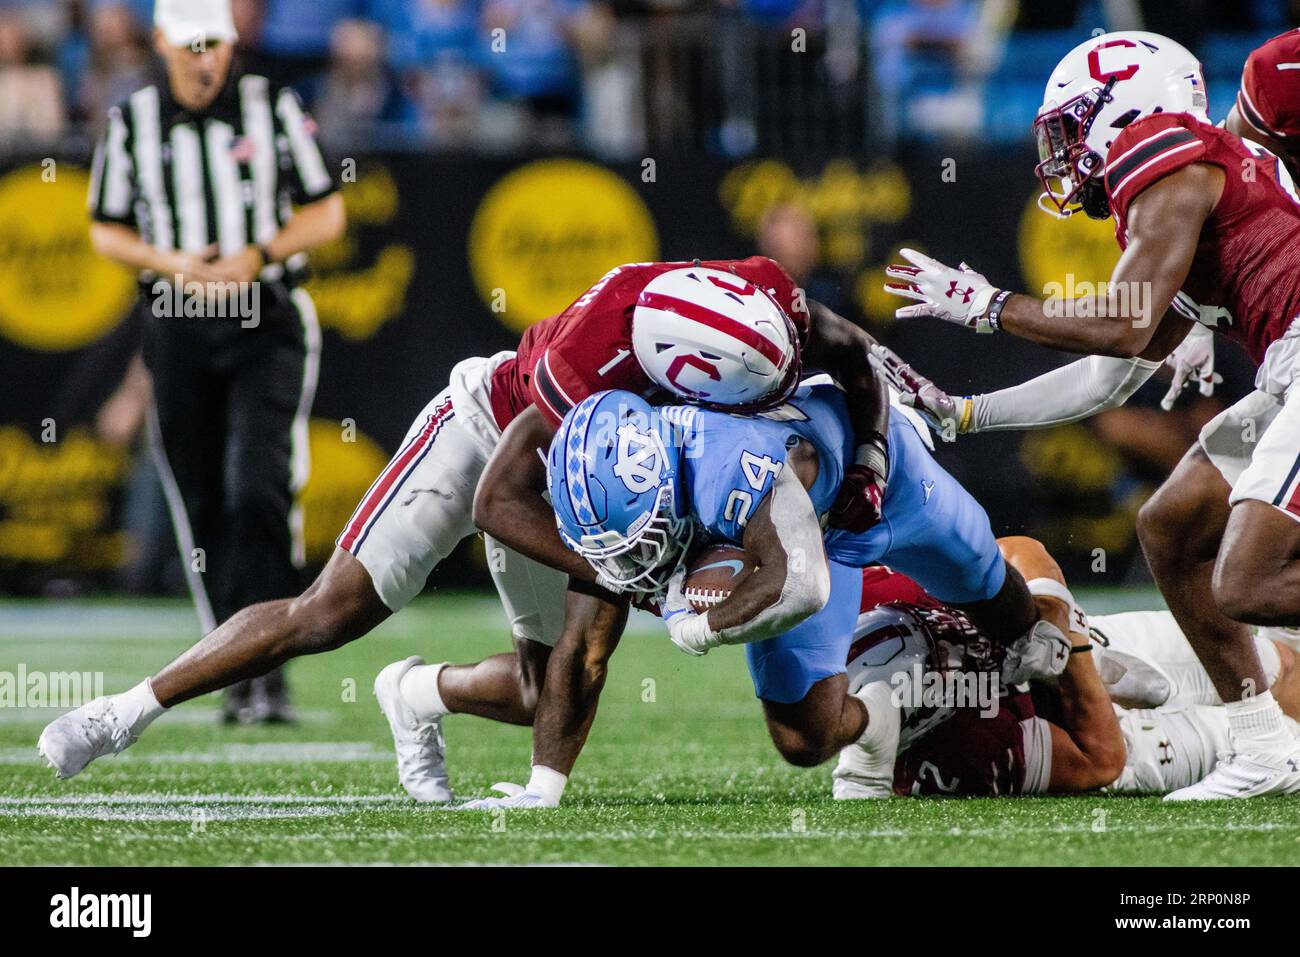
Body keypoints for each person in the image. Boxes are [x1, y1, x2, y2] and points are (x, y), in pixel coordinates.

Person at [38, 257, 891, 802]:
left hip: (607, 470)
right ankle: (123, 712)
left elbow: (850, 350)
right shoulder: (586, 365)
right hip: (491, 443)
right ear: (683, 375)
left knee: (543, 685)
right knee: (329, 612)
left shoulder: (752, 294)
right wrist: (633, 580)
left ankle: (417, 695)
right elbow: (498, 500)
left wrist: (873, 458)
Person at [879, 30, 1300, 799]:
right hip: (1286, 367)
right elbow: (1111, 375)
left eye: (1073, 127)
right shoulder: (1191, 187)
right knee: (1172, 526)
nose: (1064, 153)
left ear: (1127, 107)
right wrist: (963, 413)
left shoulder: (1165, 143)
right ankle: (1265, 746)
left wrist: (990, 307)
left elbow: (1123, 323)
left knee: (1249, 579)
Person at [457, 379, 1069, 809]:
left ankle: (1070, 661)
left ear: (665, 484)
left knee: (992, 593)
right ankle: (882, 717)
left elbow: (802, 585)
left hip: (879, 492)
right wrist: (544, 786)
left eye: (638, 542)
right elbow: (583, 648)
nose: (631, 564)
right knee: (803, 738)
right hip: (795, 543)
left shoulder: (732, 469)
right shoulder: (642, 497)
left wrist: (705, 625)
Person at [78, 0, 345, 723]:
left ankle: (271, 664)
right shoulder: (132, 119)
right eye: (193, 44)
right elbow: (105, 227)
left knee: (260, 487)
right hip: (180, 323)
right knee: (199, 500)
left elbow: (327, 212)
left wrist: (255, 255)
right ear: (161, 42)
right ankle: (230, 666)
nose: (207, 59)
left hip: (267, 319)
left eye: (217, 45)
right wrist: (168, 260)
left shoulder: (271, 104)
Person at [841, 537, 1300, 798]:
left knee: (1277, 666)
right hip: (1110, 733)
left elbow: (1021, 550)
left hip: (1094, 641)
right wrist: (1074, 659)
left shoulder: (874, 590)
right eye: (946, 665)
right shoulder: (953, 757)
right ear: (933, 711)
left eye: (934, 631)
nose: (954, 642)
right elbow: (1100, 759)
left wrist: (1052, 628)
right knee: (1286, 736)